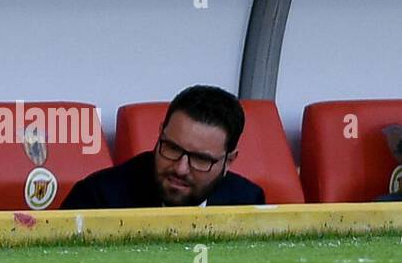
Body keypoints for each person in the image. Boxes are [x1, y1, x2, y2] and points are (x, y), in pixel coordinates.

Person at [60, 85, 265, 209]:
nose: (180, 168)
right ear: (160, 134)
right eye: (172, 149)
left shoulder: (246, 202)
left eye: (201, 159)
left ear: (228, 161)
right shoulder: (99, 199)